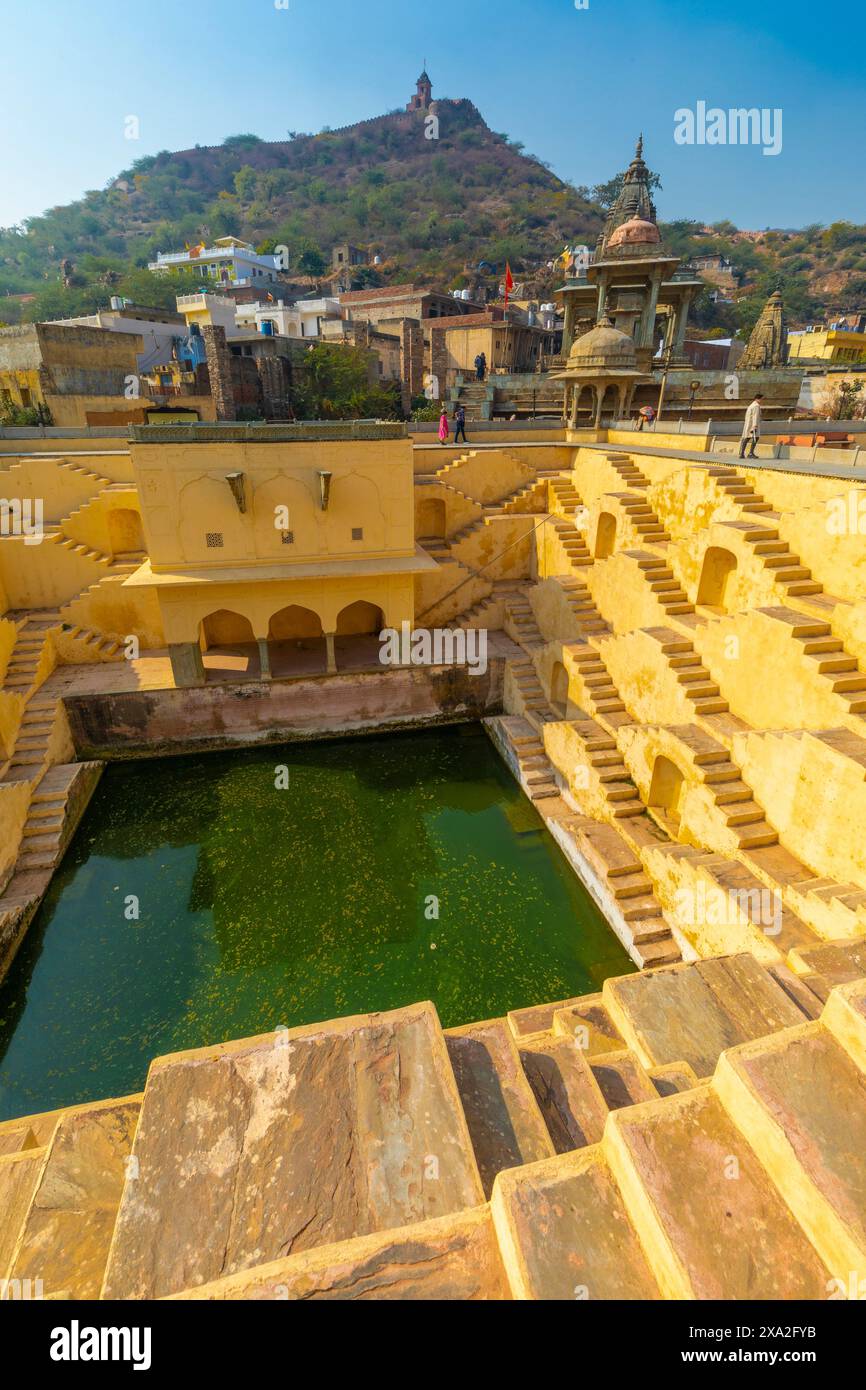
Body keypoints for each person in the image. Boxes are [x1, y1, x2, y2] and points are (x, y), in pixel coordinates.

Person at [739, 393, 763, 458]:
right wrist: (755, 426)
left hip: (748, 424)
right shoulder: (756, 406)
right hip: (753, 425)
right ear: (758, 399)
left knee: (747, 438)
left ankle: (741, 453)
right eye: (761, 399)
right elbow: (755, 416)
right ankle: (751, 453)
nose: (762, 401)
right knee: (756, 438)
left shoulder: (751, 405)